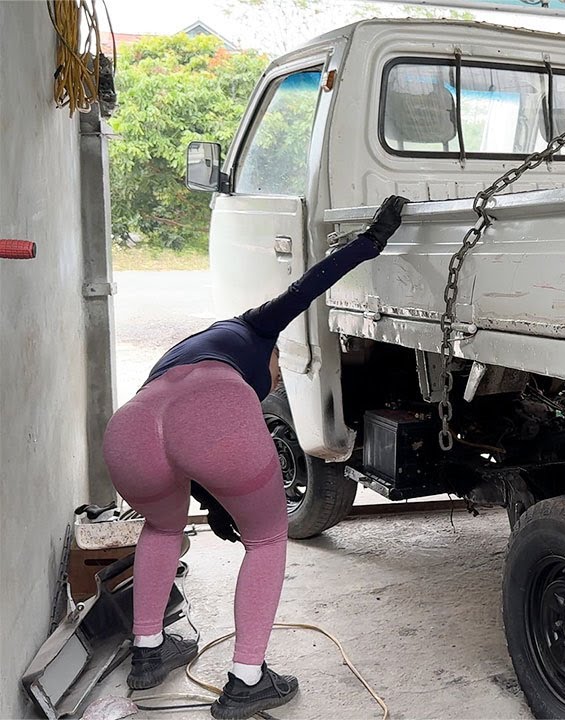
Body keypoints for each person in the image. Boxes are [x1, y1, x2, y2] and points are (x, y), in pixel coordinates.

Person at [101, 195, 408, 719]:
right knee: (266, 538)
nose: (275, 382)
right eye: (278, 374)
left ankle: (148, 653)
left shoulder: (183, 353)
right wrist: (371, 241)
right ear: (271, 353)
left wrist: (215, 501)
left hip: (131, 426)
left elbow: (176, 443)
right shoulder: (255, 327)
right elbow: (308, 286)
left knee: (161, 528)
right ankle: (247, 680)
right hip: (211, 410)